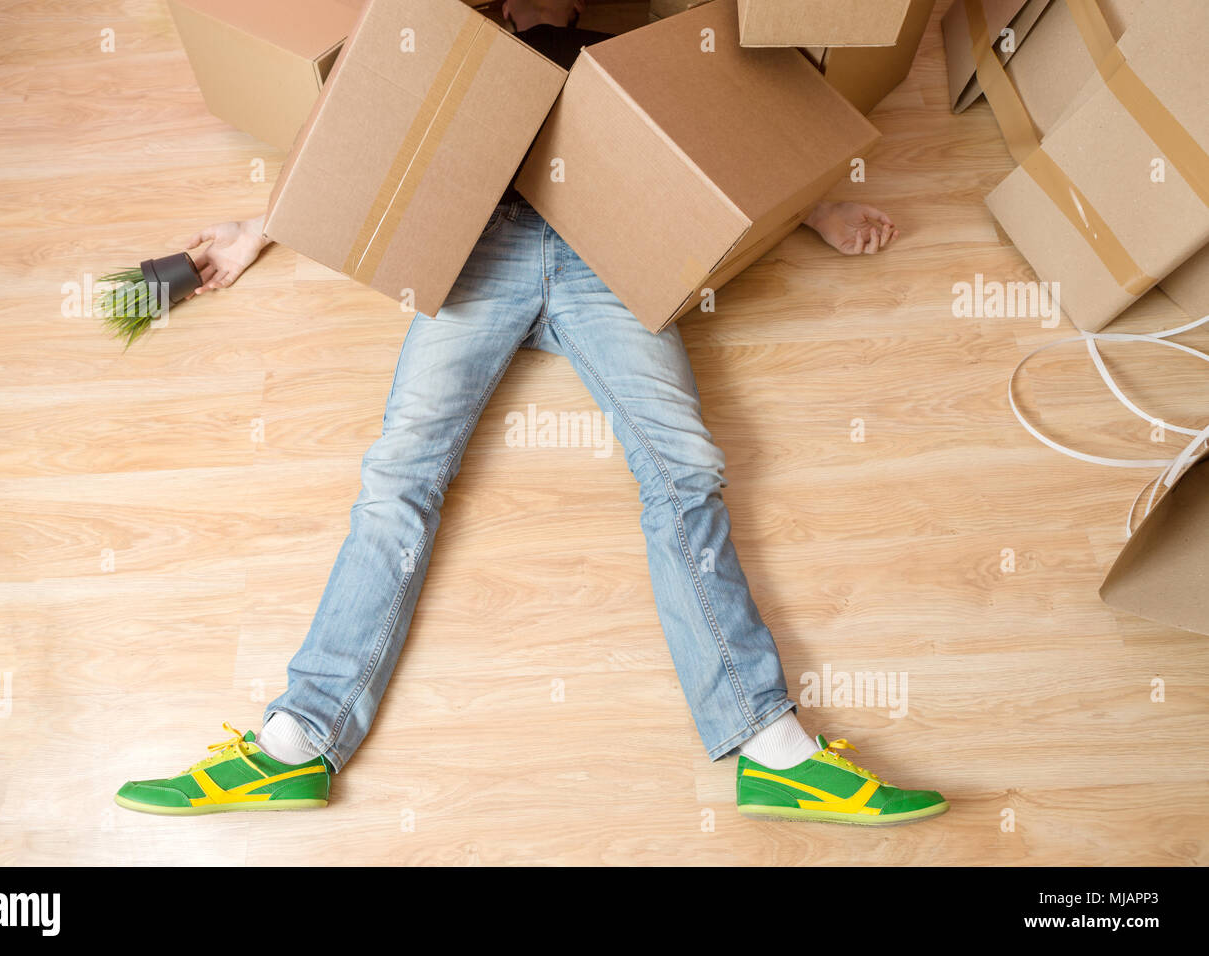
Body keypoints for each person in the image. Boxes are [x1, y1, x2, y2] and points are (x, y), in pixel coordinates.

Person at [114, 0, 945, 826]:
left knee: (686, 470)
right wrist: (258, 227)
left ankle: (773, 751)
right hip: (480, 253)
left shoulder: (628, 54)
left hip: (609, 254)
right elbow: (368, 151)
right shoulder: (465, 55)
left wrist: (814, 210)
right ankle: (292, 745)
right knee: (400, 474)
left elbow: (709, 148)